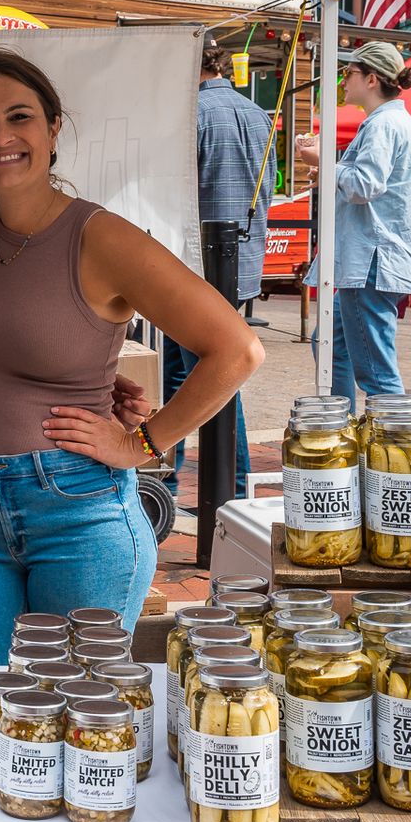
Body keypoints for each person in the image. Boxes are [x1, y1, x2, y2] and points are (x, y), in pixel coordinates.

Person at [0, 49, 263, 663]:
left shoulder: (102, 237)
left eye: (19, 116)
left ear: (54, 127)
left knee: (81, 717)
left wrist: (142, 445)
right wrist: (69, 368)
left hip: (78, 510)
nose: (1, 137)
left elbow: (238, 349)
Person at [161, 38, 273, 501]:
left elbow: (176, 191)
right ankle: (166, 476)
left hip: (197, 262)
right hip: (236, 261)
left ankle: (232, 489)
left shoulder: (194, 116)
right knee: (177, 370)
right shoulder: (256, 113)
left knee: (215, 373)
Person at [293, 40, 411, 401]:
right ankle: (341, 427)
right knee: (330, 344)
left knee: (376, 372)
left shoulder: (383, 125)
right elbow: (368, 184)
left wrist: (325, 163)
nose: (343, 81)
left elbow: (365, 185)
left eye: (348, 73)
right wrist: (329, 170)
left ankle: (393, 450)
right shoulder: (393, 122)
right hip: (376, 258)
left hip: (372, 259)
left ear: (371, 79)